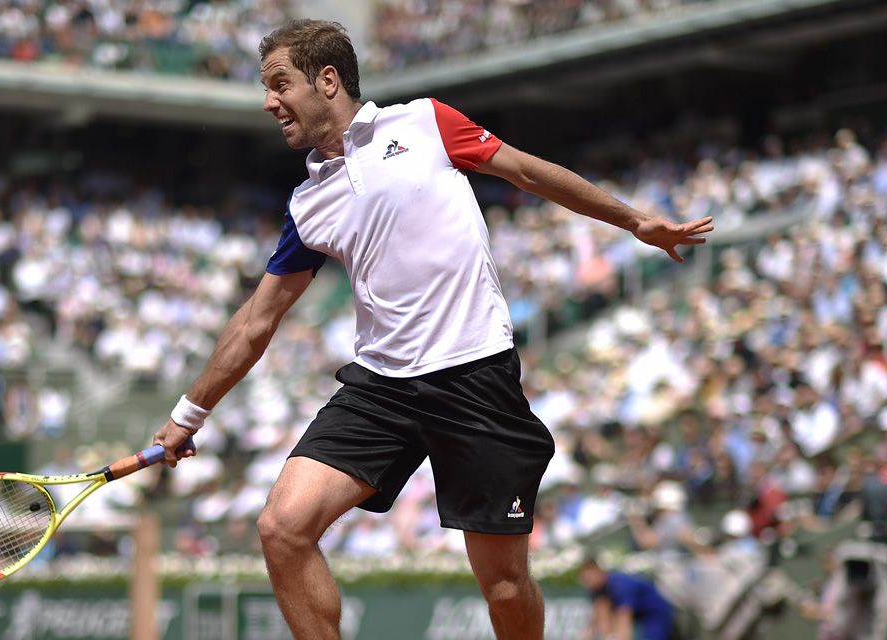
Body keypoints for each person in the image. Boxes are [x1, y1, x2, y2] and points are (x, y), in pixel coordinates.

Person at [151, 19, 712, 640]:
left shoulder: (424, 122)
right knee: (281, 527)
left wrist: (636, 221)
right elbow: (257, 320)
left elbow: (526, 171)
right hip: (382, 386)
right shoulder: (307, 204)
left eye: (279, 84)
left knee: (502, 586)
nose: (267, 102)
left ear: (327, 80)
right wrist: (188, 414)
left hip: (475, 374)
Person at [578, 557, 677, 640]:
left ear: (598, 572)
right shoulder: (597, 590)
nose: (587, 584)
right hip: (639, 615)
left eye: (588, 579)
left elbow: (624, 618)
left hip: (656, 613)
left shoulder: (619, 584)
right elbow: (599, 615)